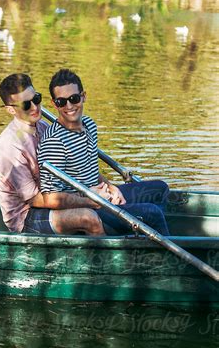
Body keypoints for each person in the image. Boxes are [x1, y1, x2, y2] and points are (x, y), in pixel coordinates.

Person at [37, 68, 170, 236]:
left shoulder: (89, 124)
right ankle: (163, 254)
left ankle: (143, 240)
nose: (69, 106)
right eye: (61, 102)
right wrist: (93, 201)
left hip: (101, 197)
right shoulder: (54, 141)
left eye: (74, 98)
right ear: (54, 103)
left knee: (161, 190)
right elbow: (52, 198)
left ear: (83, 96)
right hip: (87, 209)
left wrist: (112, 188)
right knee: (152, 213)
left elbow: (90, 171)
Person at [0, 73, 105, 236]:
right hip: (27, 215)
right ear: (10, 109)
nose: (34, 107)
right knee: (87, 217)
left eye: (36, 99)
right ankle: (109, 261)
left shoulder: (44, 127)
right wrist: (89, 201)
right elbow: (35, 200)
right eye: (26, 105)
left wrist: (107, 186)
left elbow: (78, 164)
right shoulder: (9, 145)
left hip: (55, 198)